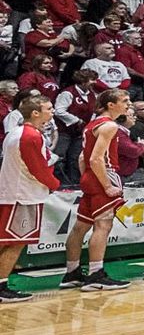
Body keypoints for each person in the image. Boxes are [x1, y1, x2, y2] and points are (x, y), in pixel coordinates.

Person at [62, 87, 130, 290]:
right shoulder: (109, 125)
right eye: (124, 100)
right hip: (104, 174)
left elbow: (83, 158)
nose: (128, 104)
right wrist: (107, 185)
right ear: (111, 104)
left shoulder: (92, 124)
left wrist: (87, 177)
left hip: (90, 177)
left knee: (80, 226)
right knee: (103, 226)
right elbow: (95, 158)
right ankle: (95, 275)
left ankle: (72, 272)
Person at [0, 94, 61, 302]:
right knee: (14, 243)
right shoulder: (30, 136)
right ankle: (1, 287)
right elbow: (38, 169)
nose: (52, 112)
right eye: (49, 108)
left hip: (14, 193)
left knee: (7, 242)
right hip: (22, 196)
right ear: (35, 113)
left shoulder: (17, 133)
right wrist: (55, 184)